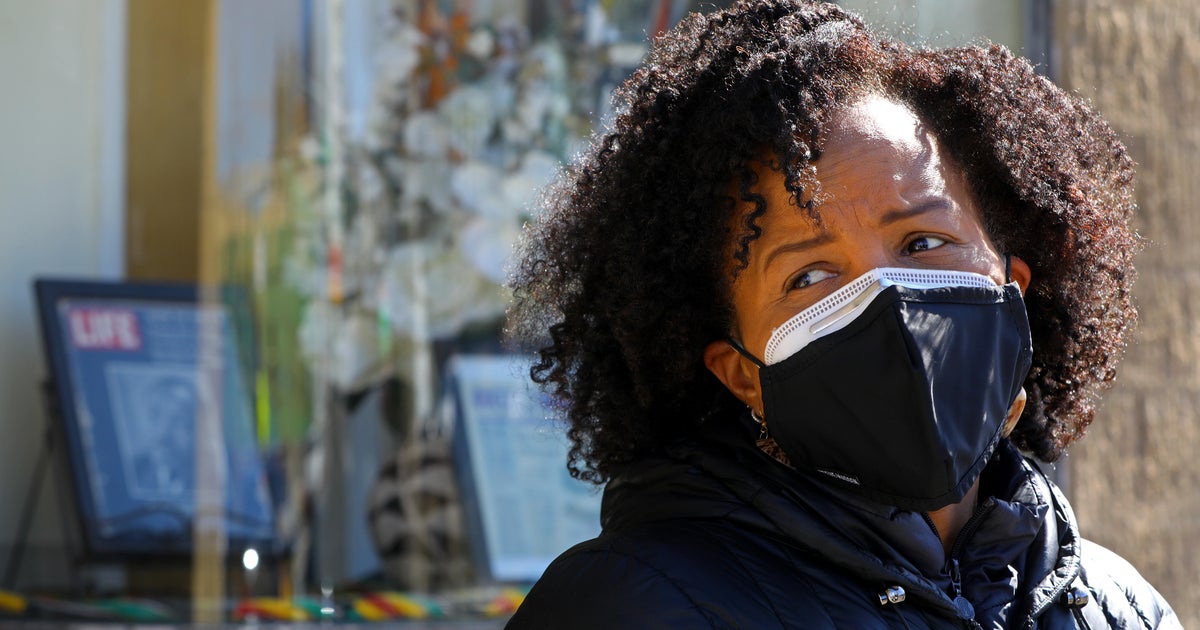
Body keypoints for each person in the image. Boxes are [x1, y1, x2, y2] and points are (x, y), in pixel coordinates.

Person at [505, 0, 1180, 627]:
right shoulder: (630, 605)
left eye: (923, 242)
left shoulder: (1118, 607)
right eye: (810, 276)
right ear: (740, 373)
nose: (890, 301)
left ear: (1014, 284)